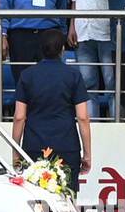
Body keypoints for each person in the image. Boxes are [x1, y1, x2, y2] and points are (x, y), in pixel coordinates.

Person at [11, 29, 91, 192]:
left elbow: (19, 117)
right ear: (62, 49)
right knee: (67, 202)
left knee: (35, 202)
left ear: (41, 49)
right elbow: (82, 117)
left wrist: (15, 152)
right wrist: (87, 154)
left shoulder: (27, 75)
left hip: (34, 146)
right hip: (67, 146)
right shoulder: (74, 75)